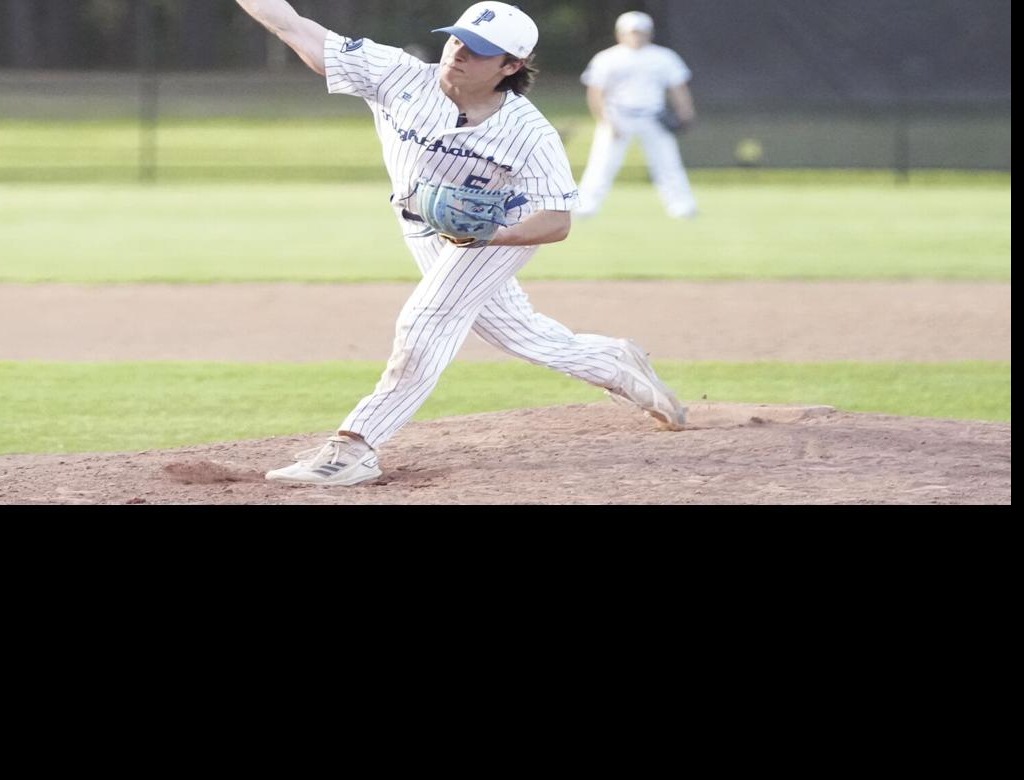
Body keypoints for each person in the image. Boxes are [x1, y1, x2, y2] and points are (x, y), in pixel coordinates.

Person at [235, 0, 688, 487]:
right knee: (519, 333)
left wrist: (493, 234)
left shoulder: (528, 132)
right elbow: (292, 25)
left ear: (511, 66)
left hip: (498, 230)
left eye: (479, 50)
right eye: (458, 38)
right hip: (423, 226)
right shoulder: (397, 74)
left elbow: (556, 220)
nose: (460, 52)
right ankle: (615, 363)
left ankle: (355, 447)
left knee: (427, 319)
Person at [573, 11, 698, 220]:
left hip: (653, 116)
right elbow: (595, 92)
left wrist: (685, 111)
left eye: (641, 32)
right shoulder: (608, 58)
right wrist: (605, 120)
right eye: (632, 32)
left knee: (668, 163)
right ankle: (586, 205)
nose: (636, 36)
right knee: (602, 164)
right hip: (618, 115)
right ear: (620, 33)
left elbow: (678, 87)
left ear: (649, 33)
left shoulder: (663, 57)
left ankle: (681, 205)